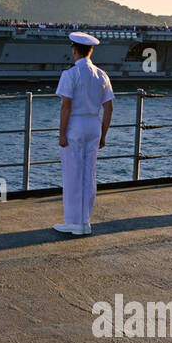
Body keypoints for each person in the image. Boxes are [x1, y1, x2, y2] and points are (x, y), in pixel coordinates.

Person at [54, 31, 114, 235]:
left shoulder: (70, 74)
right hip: (94, 125)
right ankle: (85, 222)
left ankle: (73, 223)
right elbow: (109, 108)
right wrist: (103, 135)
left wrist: (62, 134)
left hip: (75, 125)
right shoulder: (102, 75)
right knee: (89, 175)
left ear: (74, 51)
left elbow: (66, 107)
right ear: (91, 51)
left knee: (72, 174)